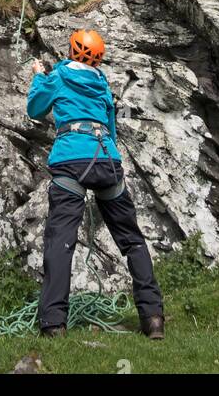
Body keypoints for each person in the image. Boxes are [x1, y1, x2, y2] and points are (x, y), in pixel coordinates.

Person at [27, 28, 165, 339]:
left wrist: (38, 75)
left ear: (72, 50)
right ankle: (153, 318)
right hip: (106, 160)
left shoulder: (59, 76)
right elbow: (111, 128)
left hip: (71, 161)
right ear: (98, 58)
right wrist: (110, 163)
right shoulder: (102, 84)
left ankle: (53, 325)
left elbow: (35, 109)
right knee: (131, 240)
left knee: (61, 242)